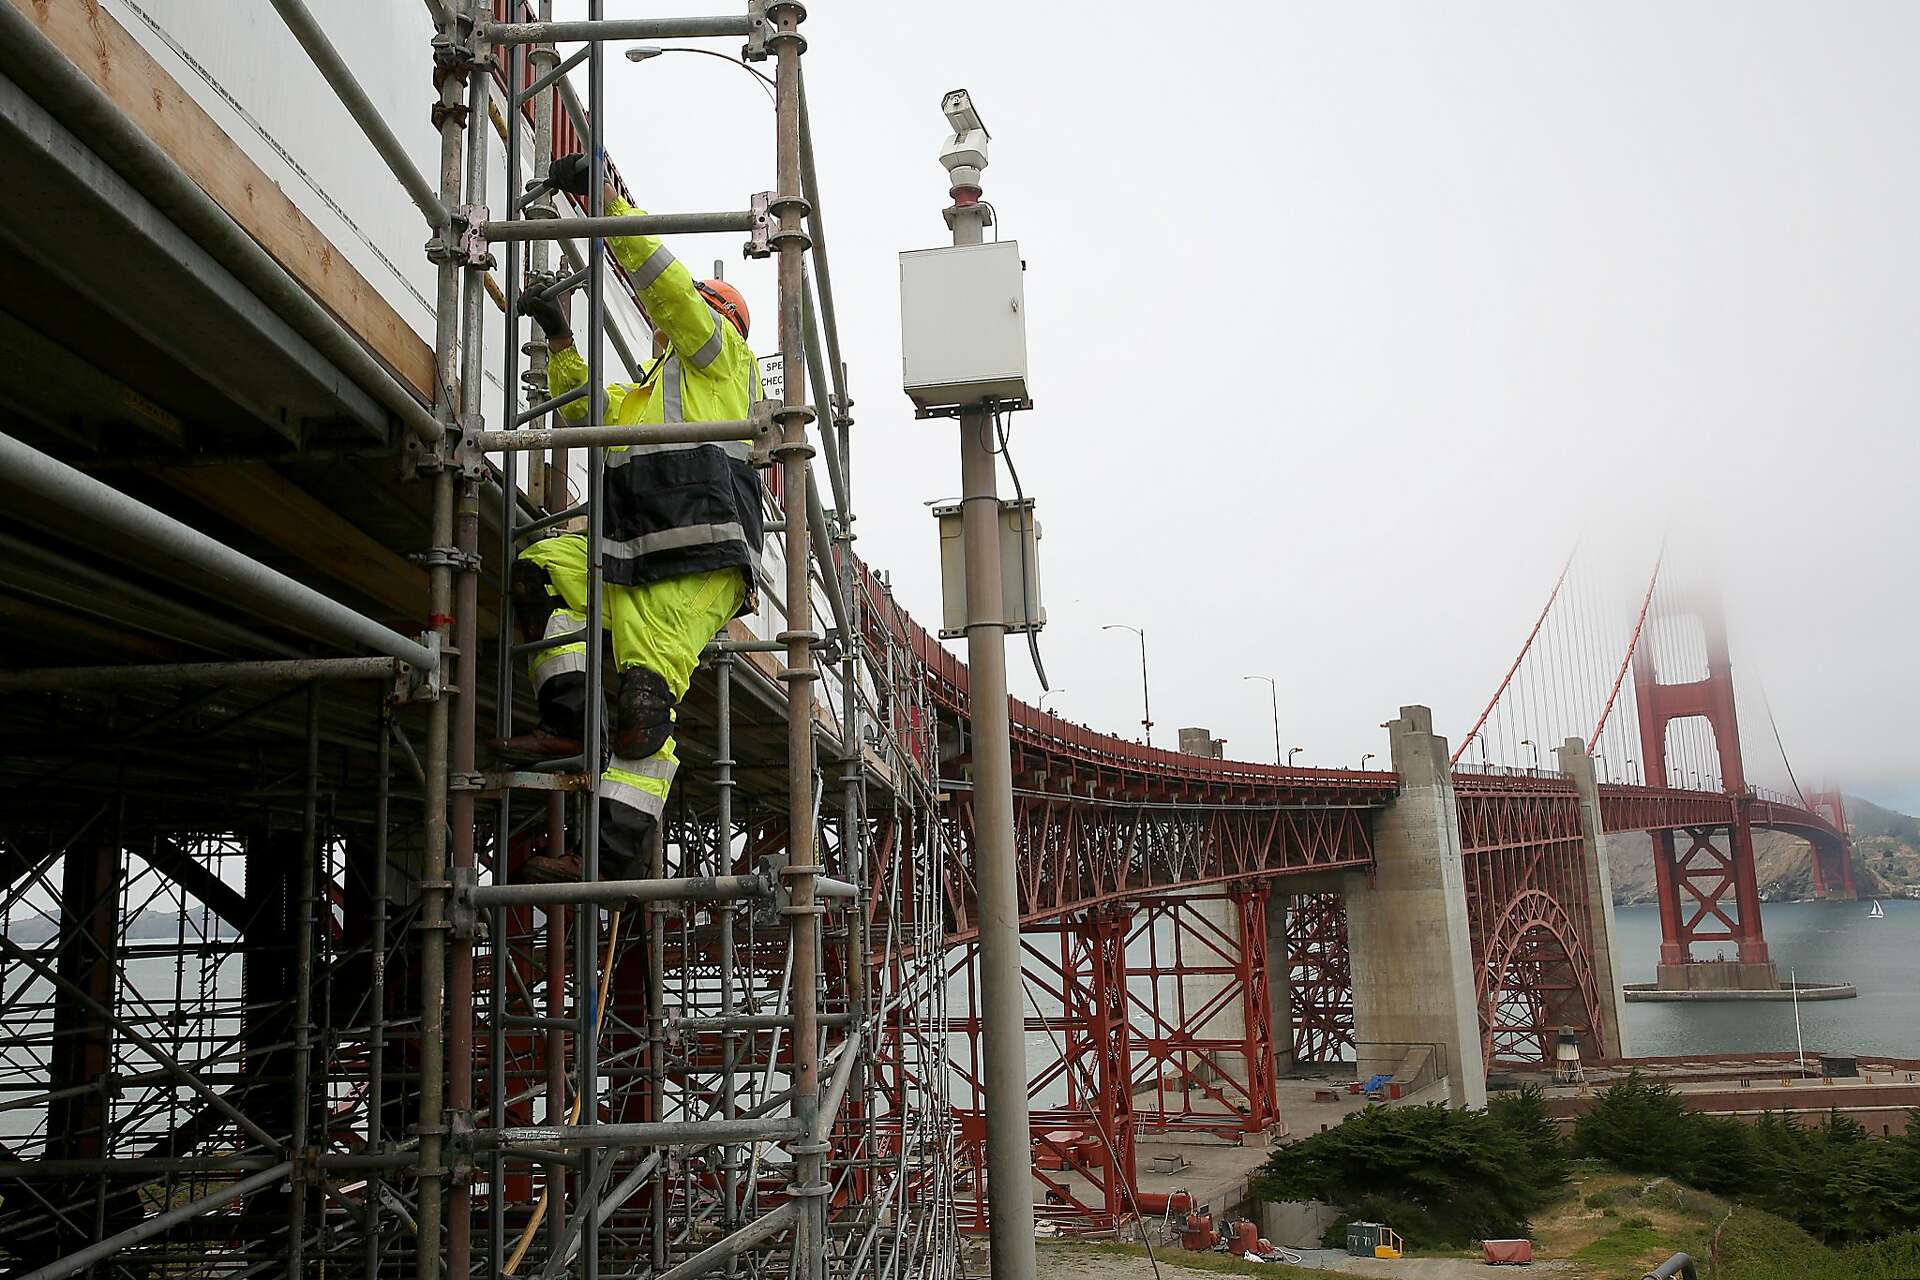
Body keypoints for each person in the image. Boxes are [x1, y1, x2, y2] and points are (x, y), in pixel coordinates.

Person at [515, 152, 764, 882]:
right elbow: (596, 411)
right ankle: (567, 725)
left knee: (647, 709)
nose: (669, 321)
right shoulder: (656, 394)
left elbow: (662, 281)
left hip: (699, 558)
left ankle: (601, 862)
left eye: (694, 304)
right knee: (542, 574)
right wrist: (561, 337)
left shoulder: (724, 359)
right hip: (637, 554)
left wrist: (602, 200)